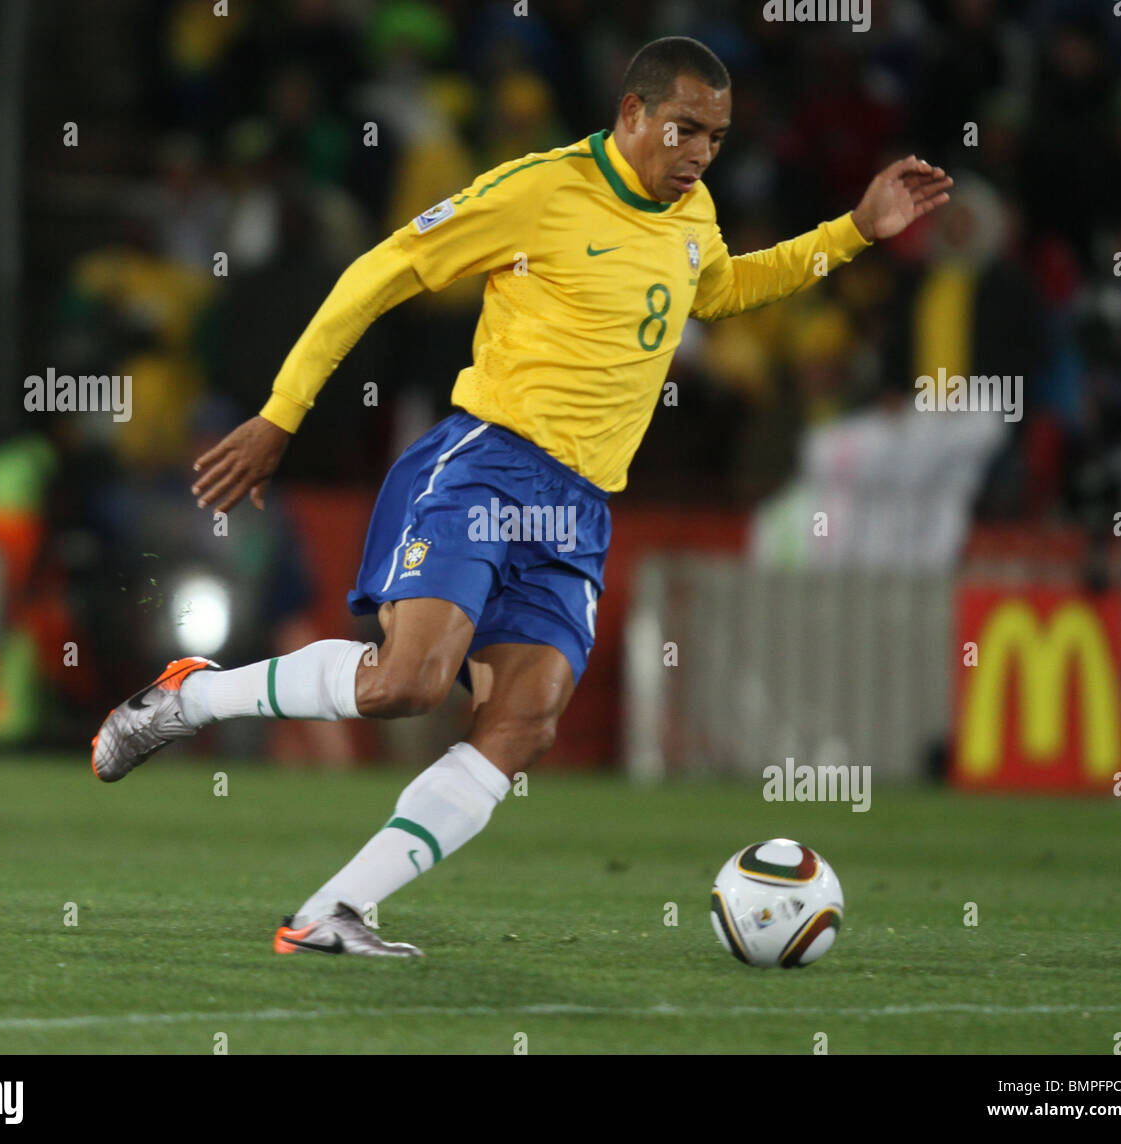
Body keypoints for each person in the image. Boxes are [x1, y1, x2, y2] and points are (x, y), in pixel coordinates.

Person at [91, 37, 952, 956]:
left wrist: (854, 232)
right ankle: (193, 699)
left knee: (524, 722)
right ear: (632, 115)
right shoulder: (539, 190)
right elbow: (382, 270)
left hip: (578, 508)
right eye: (685, 128)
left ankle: (331, 911)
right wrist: (280, 413)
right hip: (486, 464)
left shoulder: (690, 211)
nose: (701, 152)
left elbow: (724, 289)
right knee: (407, 685)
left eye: (717, 136)